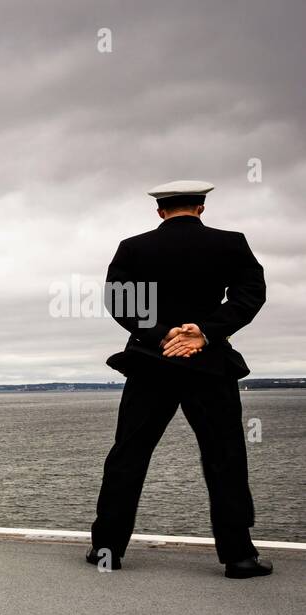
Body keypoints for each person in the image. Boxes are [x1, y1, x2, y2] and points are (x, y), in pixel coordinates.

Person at [89, 181, 272, 579]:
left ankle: (107, 549)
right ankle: (239, 556)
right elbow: (250, 294)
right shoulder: (231, 243)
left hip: (150, 365)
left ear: (160, 212)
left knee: (129, 455)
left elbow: (119, 300)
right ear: (201, 208)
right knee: (224, 457)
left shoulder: (133, 247)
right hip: (209, 366)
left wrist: (161, 335)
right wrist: (203, 331)